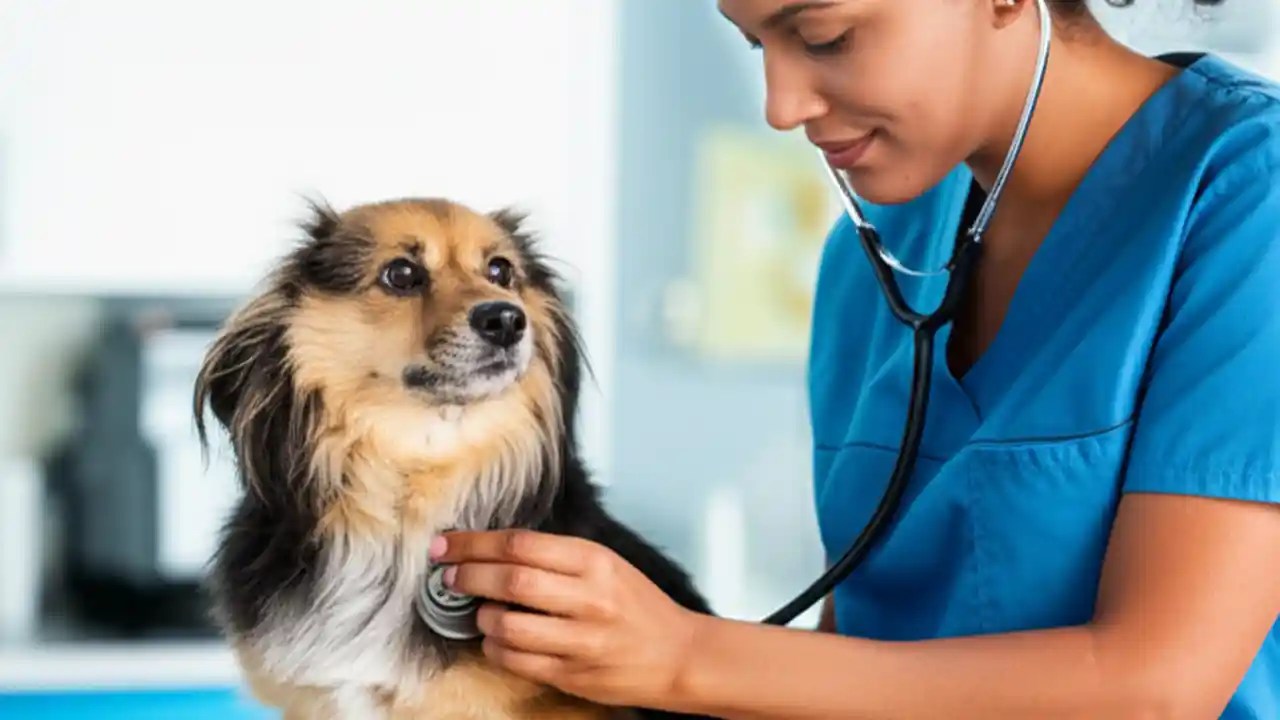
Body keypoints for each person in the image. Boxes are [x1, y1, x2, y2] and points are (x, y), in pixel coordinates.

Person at [431, 0, 1280, 717]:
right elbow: (860, 664)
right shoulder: (872, 259)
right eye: (756, 45)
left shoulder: (1249, 195)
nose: (780, 103)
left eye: (824, 36)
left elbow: (1160, 685)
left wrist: (685, 655)